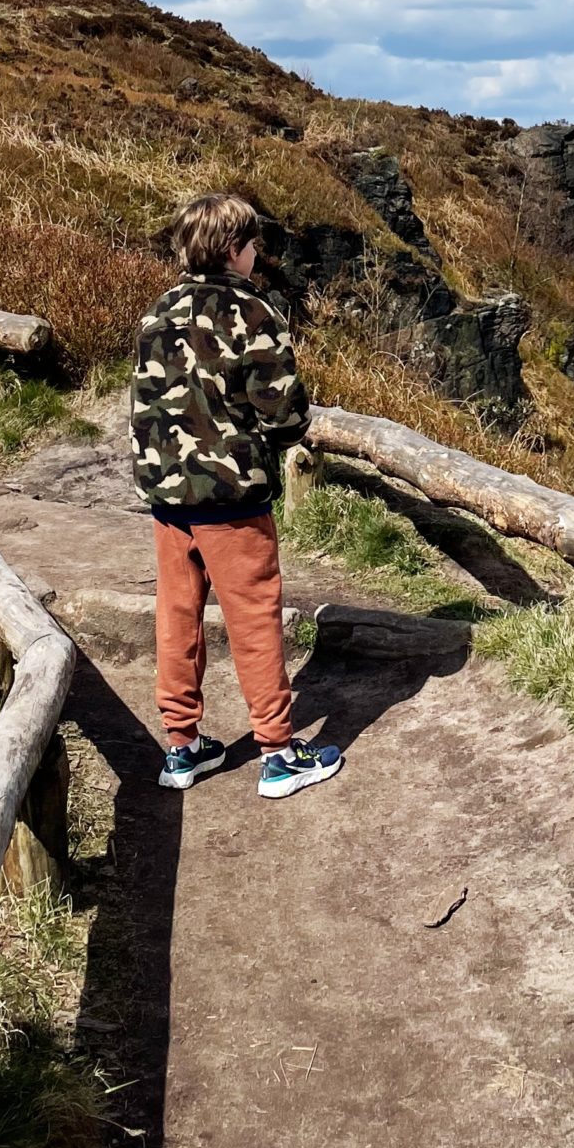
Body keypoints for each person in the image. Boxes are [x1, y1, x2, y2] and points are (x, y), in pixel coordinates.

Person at [131, 190, 343, 798]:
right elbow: (283, 415)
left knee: (177, 618)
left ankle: (181, 747)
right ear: (233, 248)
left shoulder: (157, 313)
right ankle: (278, 753)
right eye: (253, 245)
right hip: (232, 497)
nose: (258, 254)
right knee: (253, 621)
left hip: (168, 499)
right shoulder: (252, 314)